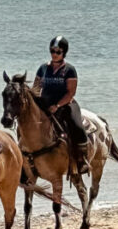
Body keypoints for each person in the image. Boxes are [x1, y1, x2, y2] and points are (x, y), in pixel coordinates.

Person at [35, 35, 88, 171]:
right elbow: (36, 88)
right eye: (52, 51)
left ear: (64, 52)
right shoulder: (43, 68)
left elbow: (71, 93)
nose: (54, 54)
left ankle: (82, 159)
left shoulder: (69, 70)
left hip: (65, 104)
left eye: (58, 52)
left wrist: (57, 106)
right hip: (46, 105)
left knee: (77, 126)